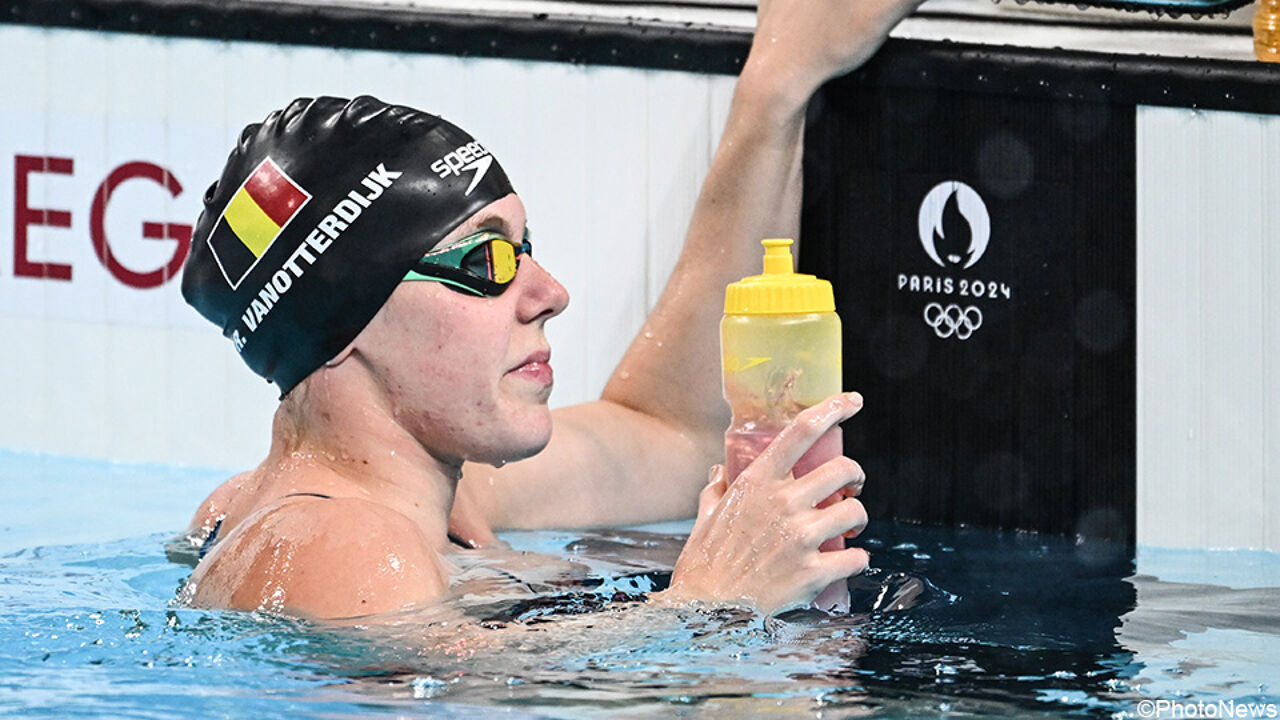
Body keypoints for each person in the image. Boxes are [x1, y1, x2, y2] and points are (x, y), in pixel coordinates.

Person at [178, 0, 921, 619]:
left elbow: (673, 434)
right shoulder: (340, 545)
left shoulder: (408, 500)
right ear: (344, 324)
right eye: (484, 261)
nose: (549, 293)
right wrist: (712, 603)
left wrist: (776, 88)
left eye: (526, 248)